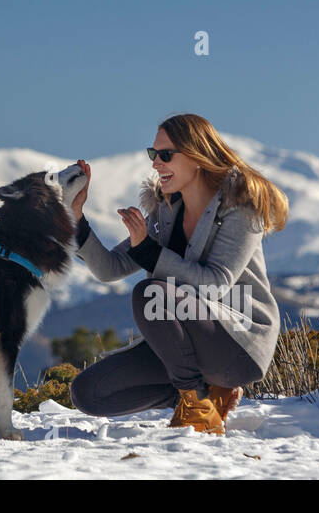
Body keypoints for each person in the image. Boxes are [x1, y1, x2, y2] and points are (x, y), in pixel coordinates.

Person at [68, 113, 287, 435]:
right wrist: (75, 216)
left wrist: (148, 251)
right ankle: (209, 396)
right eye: (153, 154)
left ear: (198, 156)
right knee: (89, 392)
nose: (156, 163)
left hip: (238, 344)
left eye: (166, 154)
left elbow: (215, 283)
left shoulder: (241, 206)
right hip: (188, 347)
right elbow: (109, 268)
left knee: (150, 294)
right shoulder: (165, 212)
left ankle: (196, 405)